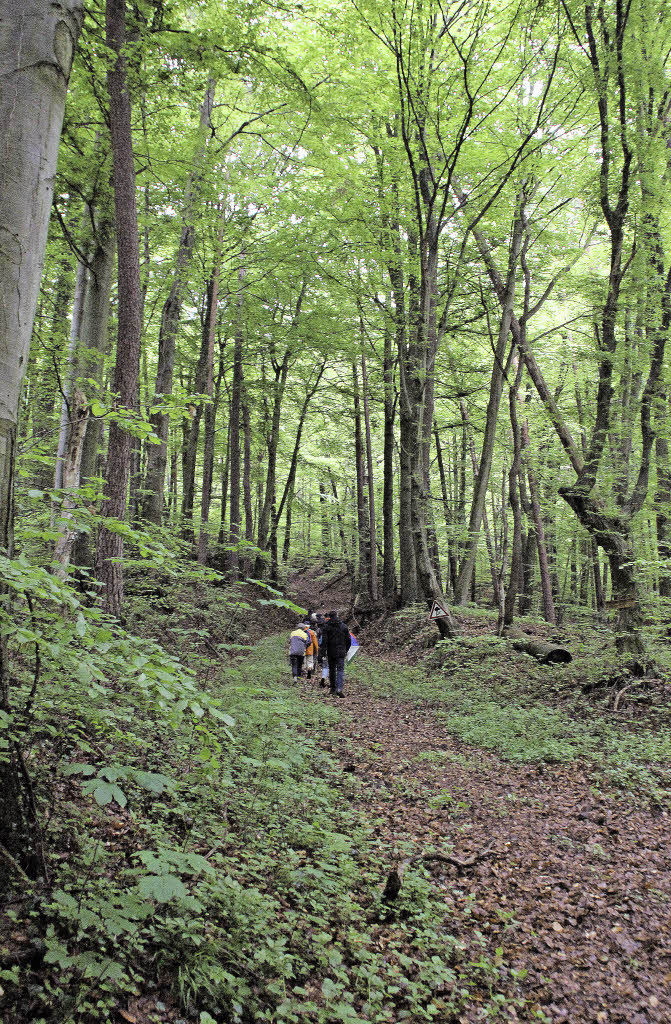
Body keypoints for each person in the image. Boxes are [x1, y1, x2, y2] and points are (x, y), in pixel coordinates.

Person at [321, 610, 351, 697]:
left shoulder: (326, 627)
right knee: (340, 670)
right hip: (341, 651)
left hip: (331, 652)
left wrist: (323, 652)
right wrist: (346, 650)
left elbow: (324, 641)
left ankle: (333, 688)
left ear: (329, 617)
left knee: (332, 669)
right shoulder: (344, 626)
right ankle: (339, 688)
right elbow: (348, 640)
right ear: (337, 615)